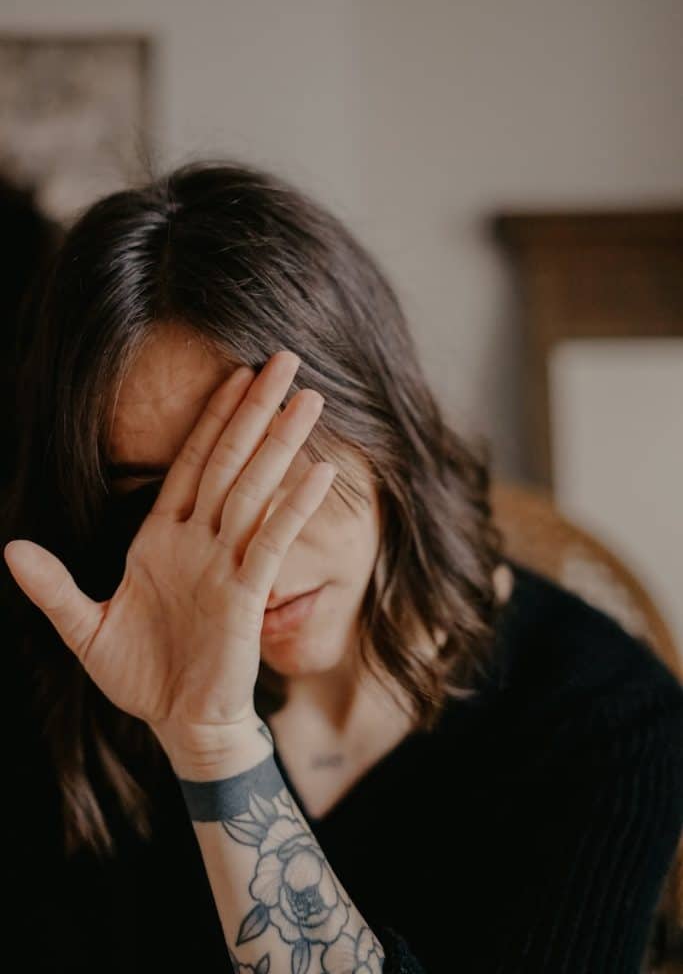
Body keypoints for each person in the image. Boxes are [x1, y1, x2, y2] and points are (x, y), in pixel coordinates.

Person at [2, 160, 682, 974]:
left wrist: (216, 749)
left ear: (384, 420)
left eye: (273, 463)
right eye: (164, 497)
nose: (251, 559)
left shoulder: (605, 721)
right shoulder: (63, 673)